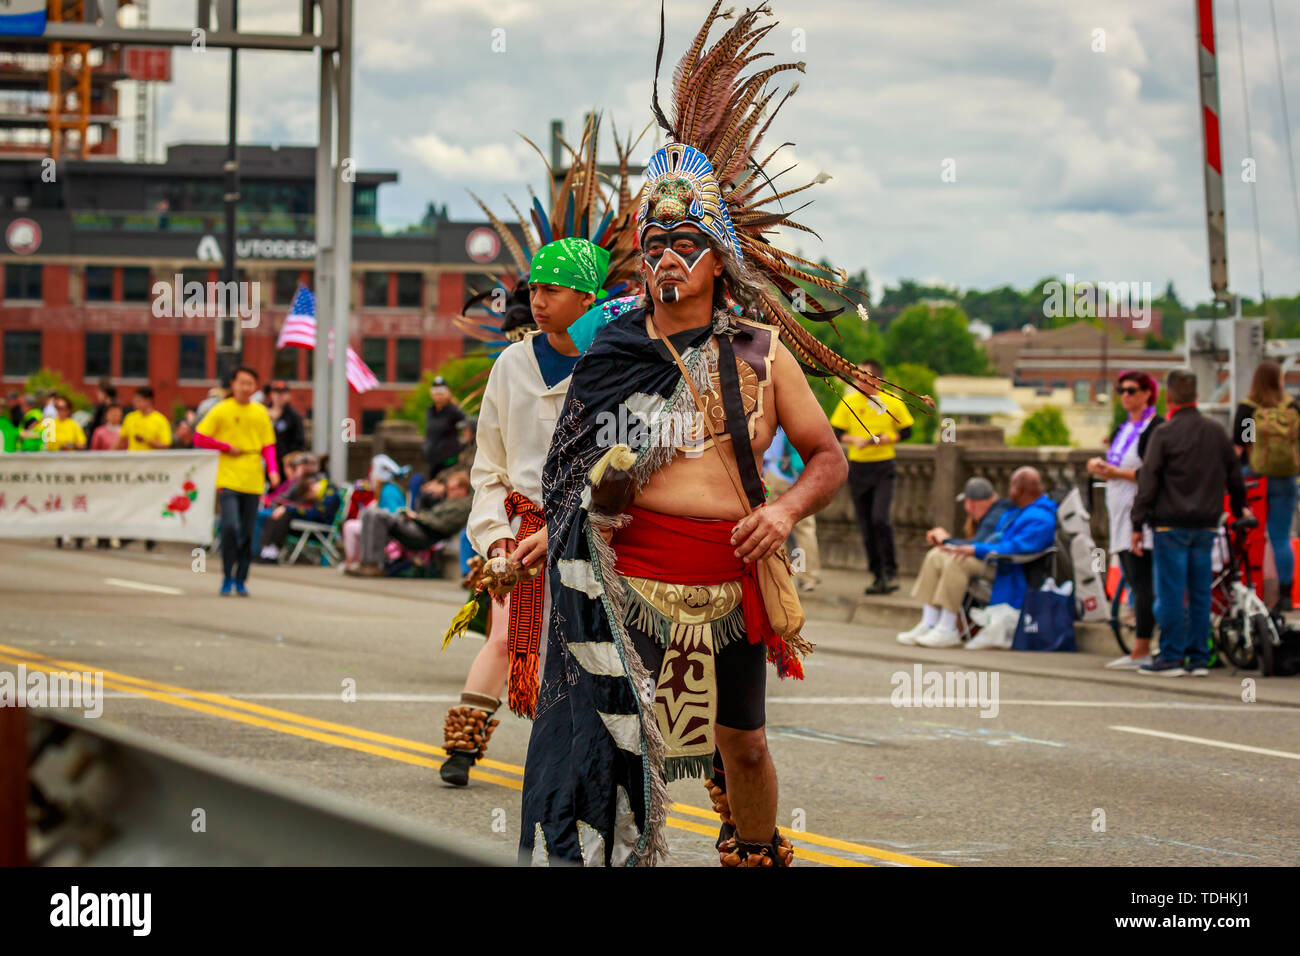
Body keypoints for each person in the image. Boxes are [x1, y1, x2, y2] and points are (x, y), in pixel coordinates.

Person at [521, 4, 877, 867]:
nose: (666, 256)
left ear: (719, 254)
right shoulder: (614, 345)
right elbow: (572, 462)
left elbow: (827, 458)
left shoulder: (760, 348)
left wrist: (786, 512)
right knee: (620, 736)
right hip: (630, 568)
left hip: (734, 563)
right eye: (655, 240)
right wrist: (558, 523)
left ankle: (754, 850)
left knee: (742, 741)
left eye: (686, 241)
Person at [439, 237, 610, 788]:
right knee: (507, 633)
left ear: (587, 298)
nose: (538, 299)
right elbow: (489, 465)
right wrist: (495, 538)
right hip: (522, 526)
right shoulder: (512, 364)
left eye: (552, 290)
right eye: (534, 288)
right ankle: (463, 744)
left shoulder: (613, 364)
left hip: (595, 527)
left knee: (591, 649)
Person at [1133, 368, 1248, 676]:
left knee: (1170, 593)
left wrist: (1137, 522)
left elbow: (1149, 480)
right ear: (1196, 395)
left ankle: (1171, 655)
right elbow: (1235, 476)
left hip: (1170, 524)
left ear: (1168, 397)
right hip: (1206, 525)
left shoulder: (1164, 434)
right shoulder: (1215, 432)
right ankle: (1199, 656)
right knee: (1200, 595)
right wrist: (1238, 509)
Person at [1088, 370, 1164, 668]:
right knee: (1134, 582)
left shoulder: (1154, 428)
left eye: (1132, 390)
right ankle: (1143, 645)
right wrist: (1100, 465)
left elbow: (1151, 473)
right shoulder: (1124, 427)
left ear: (1148, 393)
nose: (1125, 395)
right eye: (1121, 390)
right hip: (1120, 514)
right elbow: (1119, 462)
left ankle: (1143, 647)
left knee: (1143, 583)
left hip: (1141, 516)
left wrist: (1115, 474)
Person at [896, 476, 1013, 647]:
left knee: (957, 561)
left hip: (999, 565)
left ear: (971, 503)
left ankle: (947, 626)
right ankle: (929, 622)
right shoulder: (993, 511)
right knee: (936, 555)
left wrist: (947, 541)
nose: (967, 509)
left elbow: (978, 545)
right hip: (988, 560)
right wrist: (946, 545)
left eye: (967, 503)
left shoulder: (997, 513)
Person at [830, 358, 914, 595]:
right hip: (858, 468)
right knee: (866, 525)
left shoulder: (892, 401)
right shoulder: (849, 401)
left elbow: (907, 431)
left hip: (884, 467)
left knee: (880, 519)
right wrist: (853, 440)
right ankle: (877, 576)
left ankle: (891, 571)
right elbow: (836, 432)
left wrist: (889, 438)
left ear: (875, 379)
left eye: (862, 377)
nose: (857, 381)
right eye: (856, 377)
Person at [195, 366, 280, 596]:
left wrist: (273, 470)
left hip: (252, 478)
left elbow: (268, 445)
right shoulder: (221, 410)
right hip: (227, 476)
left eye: (250, 383)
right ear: (233, 384)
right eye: (242, 382)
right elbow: (199, 437)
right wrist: (225, 447)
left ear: (255, 387)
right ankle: (226, 576)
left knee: (247, 532)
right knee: (230, 526)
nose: (246, 387)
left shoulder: (260, 412)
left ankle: (241, 578)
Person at [1232, 359, 1300, 611]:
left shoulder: (1249, 409)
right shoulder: (1292, 407)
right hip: (1286, 478)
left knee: (1251, 535)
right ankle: (1284, 593)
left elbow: (1242, 447)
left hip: (1255, 478)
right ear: (1279, 380)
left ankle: (1254, 588)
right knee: (1282, 537)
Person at [351, 470, 472, 574]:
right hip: (417, 525)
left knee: (377, 515)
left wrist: (416, 518)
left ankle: (374, 564)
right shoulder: (450, 502)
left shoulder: (464, 505)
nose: (448, 492)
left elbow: (443, 525)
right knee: (369, 513)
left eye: (451, 488)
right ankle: (365, 562)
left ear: (463, 489)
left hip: (424, 533)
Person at [762, 425, 822, 593]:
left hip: (775, 473)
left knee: (774, 525)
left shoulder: (770, 411)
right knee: (805, 529)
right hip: (799, 475)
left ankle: (780, 575)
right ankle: (809, 576)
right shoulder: (799, 414)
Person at [342, 454, 410, 570]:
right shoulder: (387, 489)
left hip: (388, 527)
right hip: (382, 524)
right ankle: (357, 561)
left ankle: (353, 561)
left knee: (350, 526)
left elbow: (394, 513)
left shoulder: (389, 491)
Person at [423, 376, 465, 480]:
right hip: (433, 460)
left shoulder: (453, 410)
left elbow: (467, 428)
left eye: (441, 391)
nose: (438, 394)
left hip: (449, 461)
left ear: (447, 392)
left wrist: (463, 450)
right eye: (435, 391)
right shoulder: (430, 410)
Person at [265, 380, 306, 471]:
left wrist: (289, 459)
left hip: (285, 466)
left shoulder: (293, 416)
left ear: (288, 395)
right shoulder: (262, 413)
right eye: (276, 392)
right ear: (271, 394)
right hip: (265, 463)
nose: (279, 395)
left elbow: (299, 443)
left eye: (283, 392)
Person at [119, 387, 172, 451]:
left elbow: (166, 445)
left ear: (149, 401)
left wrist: (146, 441)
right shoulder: (130, 417)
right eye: (135, 400)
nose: (135, 402)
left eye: (138, 400)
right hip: (133, 459)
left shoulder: (160, 420)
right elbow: (120, 439)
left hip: (151, 459)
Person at [86, 379, 117, 449]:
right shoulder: (101, 408)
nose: (97, 394)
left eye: (98, 391)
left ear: (104, 393)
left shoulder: (103, 408)